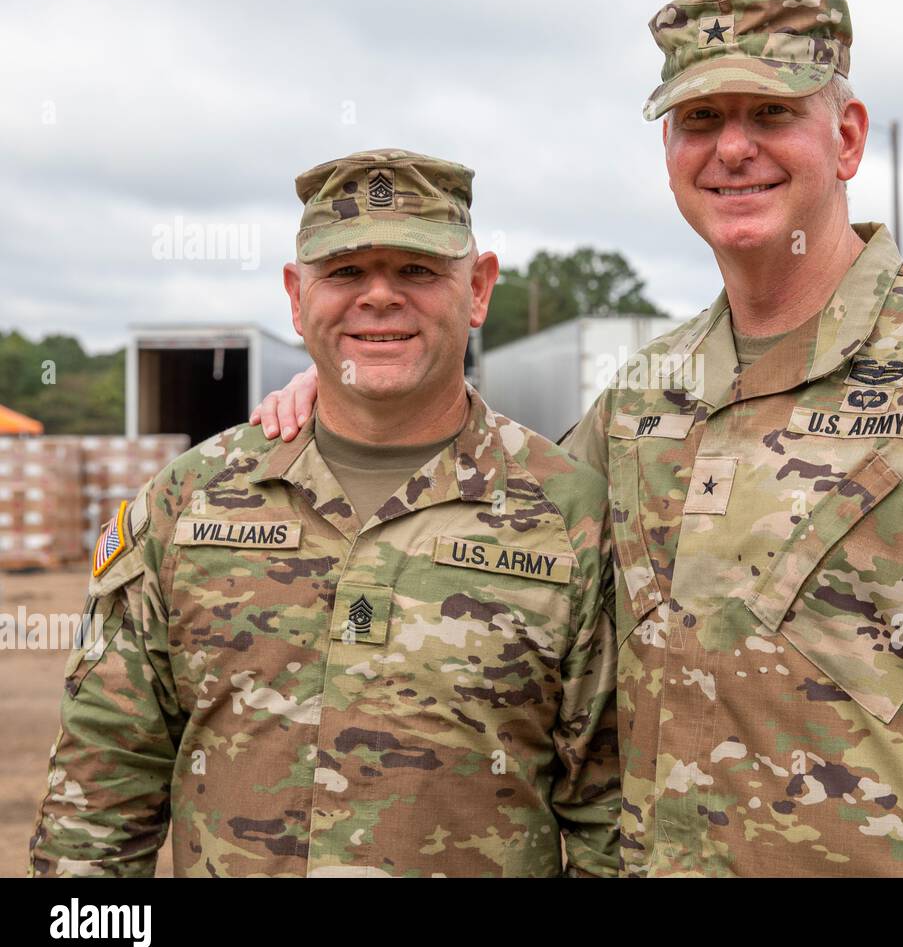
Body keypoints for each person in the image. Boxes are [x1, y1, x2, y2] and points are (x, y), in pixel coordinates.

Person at [251, 0, 903, 878]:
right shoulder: (647, 397)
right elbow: (502, 509)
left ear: (845, 137)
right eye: (700, 121)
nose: (733, 149)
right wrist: (356, 383)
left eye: (770, 114)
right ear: (669, 152)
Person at [30, 149, 619, 877]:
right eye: (344, 272)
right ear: (295, 295)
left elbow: (610, 816)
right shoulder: (188, 504)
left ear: (478, 289)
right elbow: (99, 799)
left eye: (417, 270)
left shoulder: (569, 516)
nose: (379, 297)